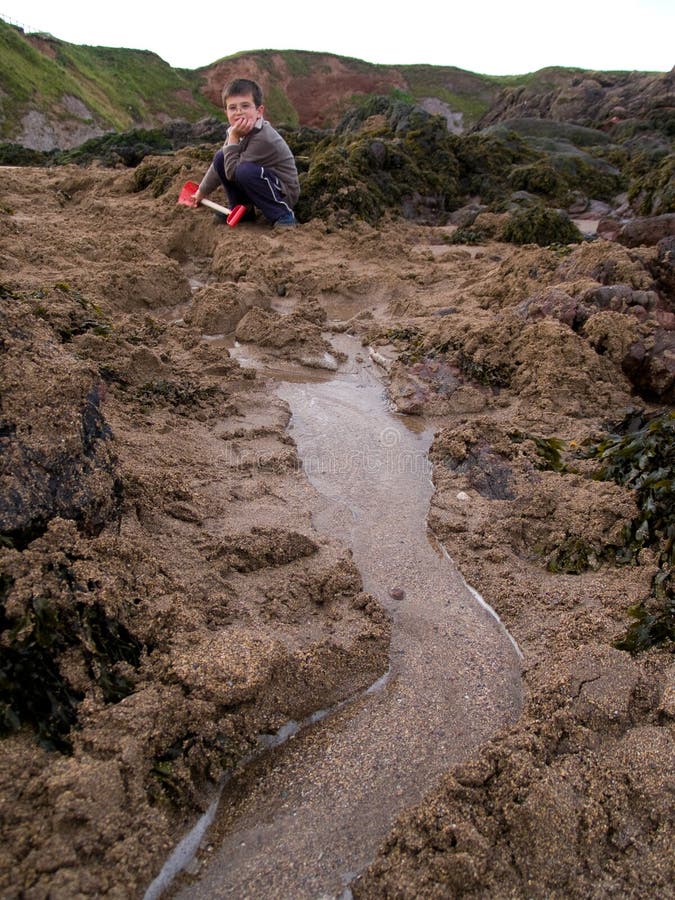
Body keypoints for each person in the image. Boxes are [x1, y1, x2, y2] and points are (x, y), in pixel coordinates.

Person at [191, 78, 300, 228]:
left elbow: (233, 174)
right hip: (260, 184)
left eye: (245, 106)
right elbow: (220, 165)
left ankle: (283, 215)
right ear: (226, 113)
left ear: (259, 111)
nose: (239, 112)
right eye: (232, 108)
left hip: (282, 193)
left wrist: (234, 138)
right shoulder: (235, 131)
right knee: (221, 156)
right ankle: (243, 210)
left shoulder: (263, 138)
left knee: (244, 171)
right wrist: (201, 192)